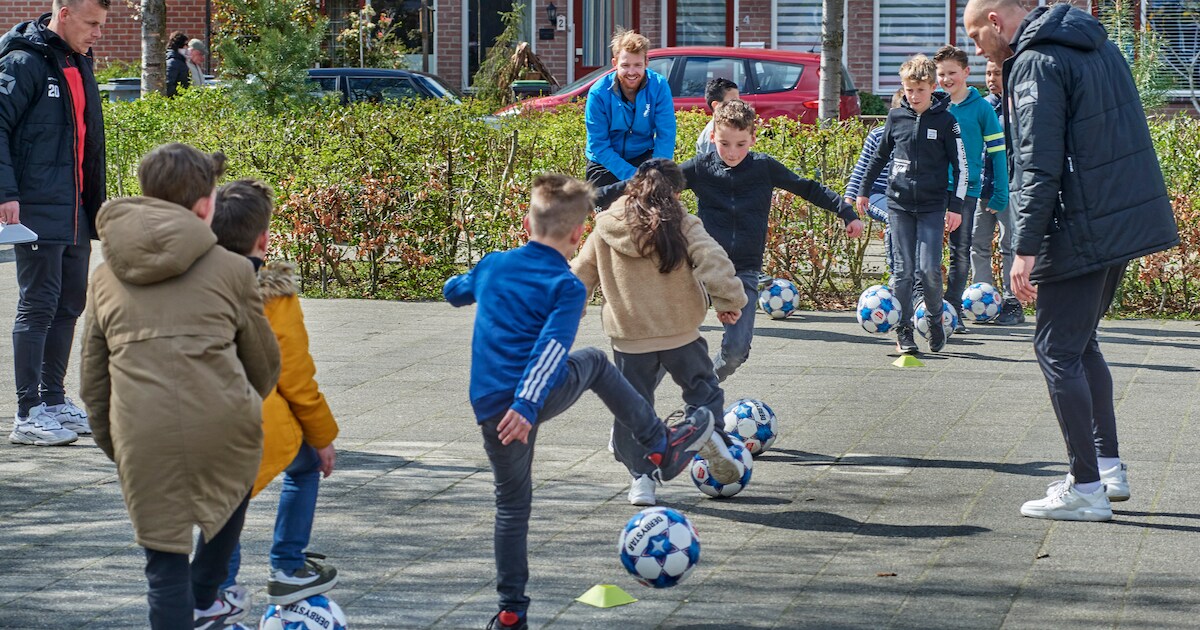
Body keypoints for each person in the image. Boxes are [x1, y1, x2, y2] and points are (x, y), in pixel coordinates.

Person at [443, 173, 714, 630]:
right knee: (593, 361)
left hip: (490, 407)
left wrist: (469, 280)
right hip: (531, 398)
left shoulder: (494, 265)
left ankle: (511, 611)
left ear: (527, 223)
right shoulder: (565, 286)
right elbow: (552, 348)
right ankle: (659, 445)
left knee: (511, 506)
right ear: (576, 235)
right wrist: (527, 405)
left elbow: (454, 292)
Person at [964, 0, 1178, 521]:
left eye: (974, 37)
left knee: (1056, 351)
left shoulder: (1035, 62)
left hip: (1078, 227)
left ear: (995, 21)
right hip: (1117, 220)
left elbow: (1039, 162)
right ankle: (1107, 469)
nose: (978, 50)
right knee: (1082, 345)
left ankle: (1085, 489)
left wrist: (1024, 248)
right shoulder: (1096, 45)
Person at [79, 143, 281, 628]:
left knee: (163, 565)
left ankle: (191, 604)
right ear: (207, 205)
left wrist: (117, 445)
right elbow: (263, 365)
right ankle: (206, 595)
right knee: (229, 499)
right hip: (224, 425)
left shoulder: (104, 279)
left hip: (141, 431)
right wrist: (240, 404)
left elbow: (93, 381)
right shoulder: (234, 270)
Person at [571, 158, 748, 506]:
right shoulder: (681, 222)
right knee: (703, 389)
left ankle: (642, 481)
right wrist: (729, 300)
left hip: (629, 337)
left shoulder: (606, 226)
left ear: (631, 187)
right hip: (679, 332)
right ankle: (708, 431)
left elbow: (580, 273)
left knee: (633, 409)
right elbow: (712, 258)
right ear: (676, 193)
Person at [210, 179, 339, 610]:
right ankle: (287, 566)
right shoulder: (271, 294)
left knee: (220, 501)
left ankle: (217, 590)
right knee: (305, 464)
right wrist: (321, 436)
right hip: (254, 424)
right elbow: (295, 376)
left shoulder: (184, 284)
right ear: (263, 240)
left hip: (191, 423)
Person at [679, 99, 862, 381]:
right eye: (725, 144)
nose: (732, 152)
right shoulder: (700, 168)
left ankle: (704, 387)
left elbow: (807, 188)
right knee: (673, 334)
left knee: (737, 352)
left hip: (743, 272)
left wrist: (845, 211)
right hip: (705, 269)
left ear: (753, 138)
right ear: (713, 136)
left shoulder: (763, 167)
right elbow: (653, 184)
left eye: (741, 144)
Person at [0, 0, 109, 447]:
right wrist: (6, 193)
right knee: (39, 304)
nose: (98, 33)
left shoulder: (77, 61)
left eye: (103, 25)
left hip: (75, 207)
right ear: (63, 14)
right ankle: (27, 414)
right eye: (92, 23)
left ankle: (53, 400)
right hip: (36, 206)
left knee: (69, 303)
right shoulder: (23, 61)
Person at [858, 54, 967, 355]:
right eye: (909, 90)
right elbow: (879, 157)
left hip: (932, 207)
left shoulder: (947, 121)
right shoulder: (896, 117)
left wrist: (955, 206)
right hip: (899, 206)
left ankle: (934, 319)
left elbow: (961, 167)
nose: (915, 96)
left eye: (920, 90)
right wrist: (863, 191)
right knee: (903, 272)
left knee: (929, 269)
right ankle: (904, 329)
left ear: (933, 87)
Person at [932, 45, 1008, 333]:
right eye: (941, 74)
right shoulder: (934, 104)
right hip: (932, 189)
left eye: (952, 73)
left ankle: (953, 309)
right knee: (928, 251)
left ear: (966, 72)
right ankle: (930, 307)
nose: (946, 79)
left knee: (960, 250)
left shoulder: (982, 108)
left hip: (966, 190)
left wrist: (1001, 192)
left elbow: (998, 153)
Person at [584, 29, 676, 187]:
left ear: (646, 62)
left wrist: (657, 171)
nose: (631, 72)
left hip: (644, 157)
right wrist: (632, 176)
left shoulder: (659, 86)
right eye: (625, 65)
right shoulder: (598, 93)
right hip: (604, 162)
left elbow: (666, 134)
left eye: (637, 65)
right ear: (615, 63)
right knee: (600, 203)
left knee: (657, 198)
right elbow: (599, 144)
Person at [971, 59, 1023, 325]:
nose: (991, 78)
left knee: (1009, 245)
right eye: (988, 73)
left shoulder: (1016, 108)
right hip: (982, 189)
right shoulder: (982, 107)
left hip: (1009, 189)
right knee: (977, 244)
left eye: (997, 73)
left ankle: (1012, 302)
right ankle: (982, 300)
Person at [844, 89, 904, 277]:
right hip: (876, 194)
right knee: (894, 217)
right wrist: (847, 203)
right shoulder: (878, 136)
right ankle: (896, 271)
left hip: (903, 194)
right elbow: (861, 169)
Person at [695, 77, 738, 155]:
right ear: (716, 105)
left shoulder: (726, 127)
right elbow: (713, 161)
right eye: (733, 101)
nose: (738, 105)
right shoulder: (713, 133)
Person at [164, 30, 189, 97]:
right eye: (186, 45)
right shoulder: (173, 63)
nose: (187, 48)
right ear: (179, 45)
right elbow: (168, 85)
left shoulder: (179, 61)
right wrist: (179, 96)